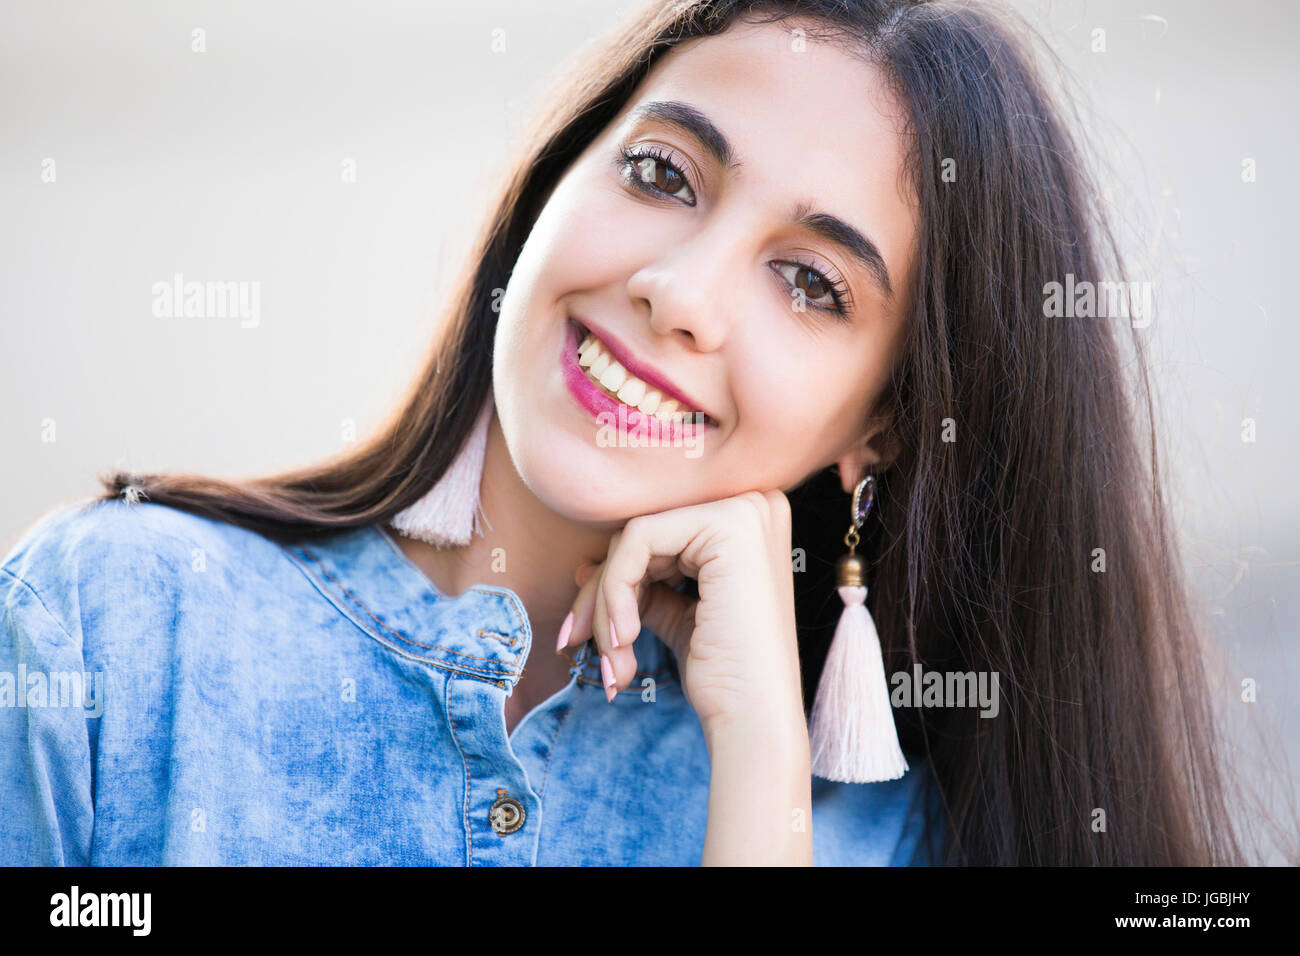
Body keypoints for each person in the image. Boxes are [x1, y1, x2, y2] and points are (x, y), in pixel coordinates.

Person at [0, 0, 1249, 865]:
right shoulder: (108, 630)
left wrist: (758, 771)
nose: (680, 291)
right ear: (558, 181)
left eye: (811, 282)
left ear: (883, 426)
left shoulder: (896, 835)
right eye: (662, 175)